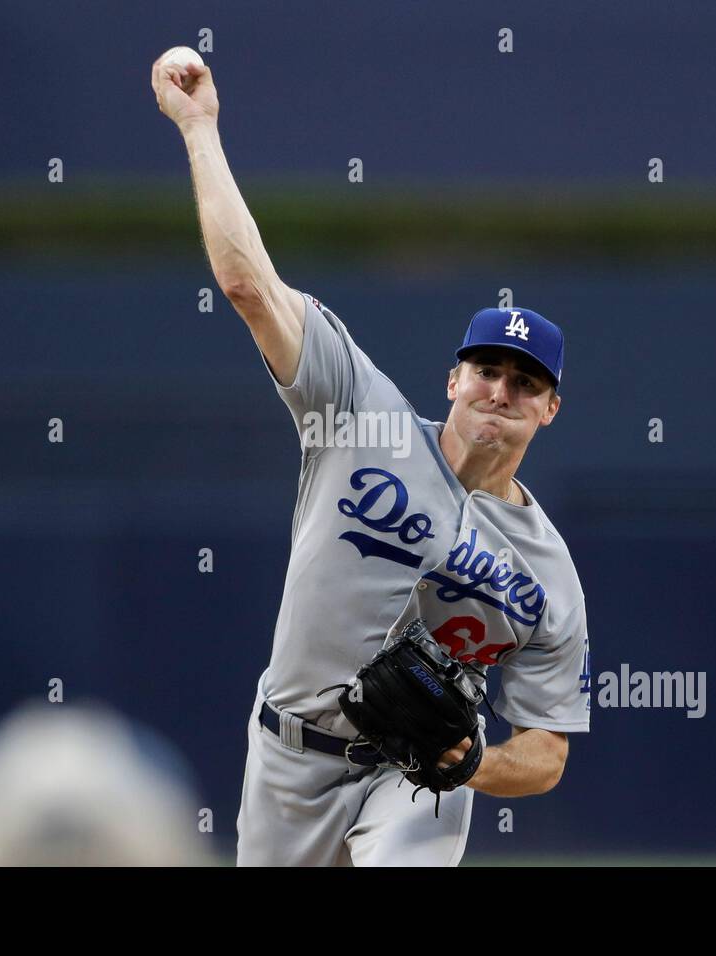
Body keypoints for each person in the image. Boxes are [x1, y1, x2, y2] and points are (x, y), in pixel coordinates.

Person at [152, 54, 591, 866]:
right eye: (488, 370)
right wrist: (199, 128)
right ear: (453, 377)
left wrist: (475, 766)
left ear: (550, 408)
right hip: (288, 756)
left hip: (415, 778)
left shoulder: (549, 575)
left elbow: (549, 752)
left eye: (526, 382)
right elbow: (250, 287)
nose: (502, 390)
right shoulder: (361, 414)